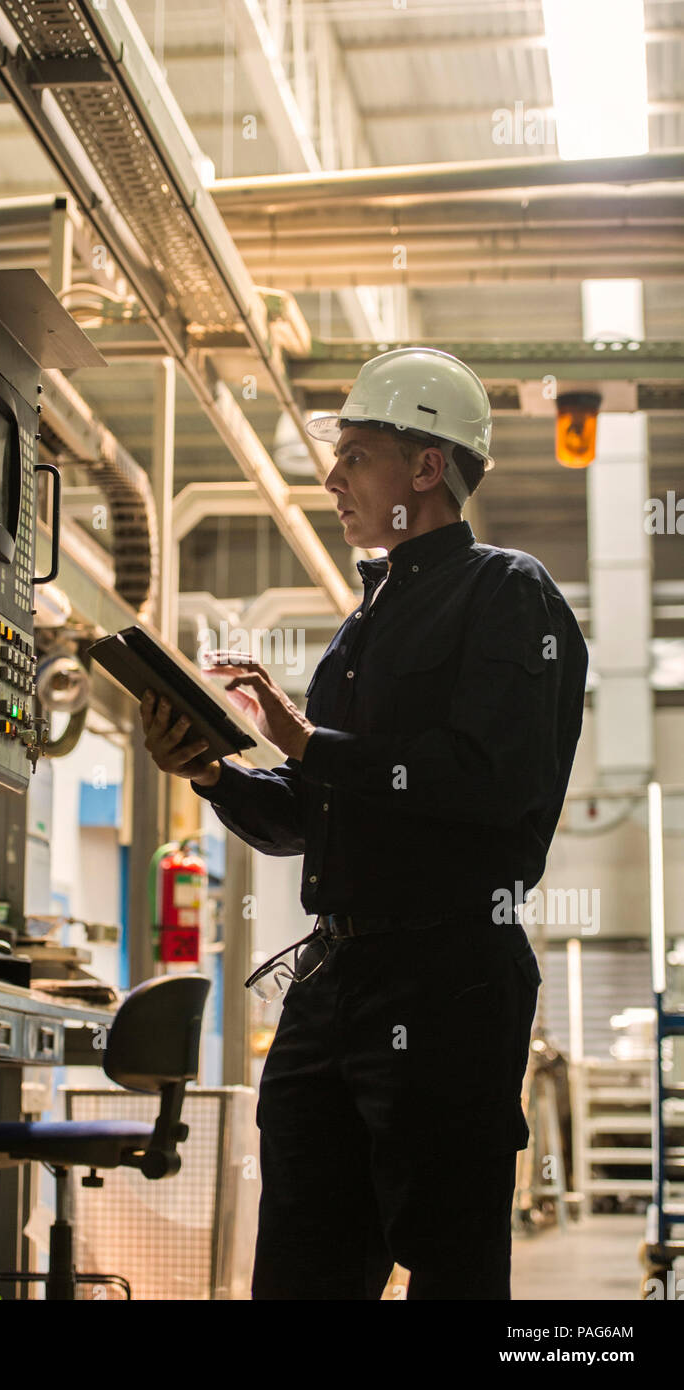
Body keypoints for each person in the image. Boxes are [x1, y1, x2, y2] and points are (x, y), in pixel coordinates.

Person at [139, 347, 589, 1300]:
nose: (331, 477)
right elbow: (312, 818)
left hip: (448, 981)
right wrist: (216, 773)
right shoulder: (361, 626)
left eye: (356, 455)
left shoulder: (506, 594)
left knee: (449, 1267)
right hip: (334, 981)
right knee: (301, 1265)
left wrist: (310, 743)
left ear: (426, 466)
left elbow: (490, 781)